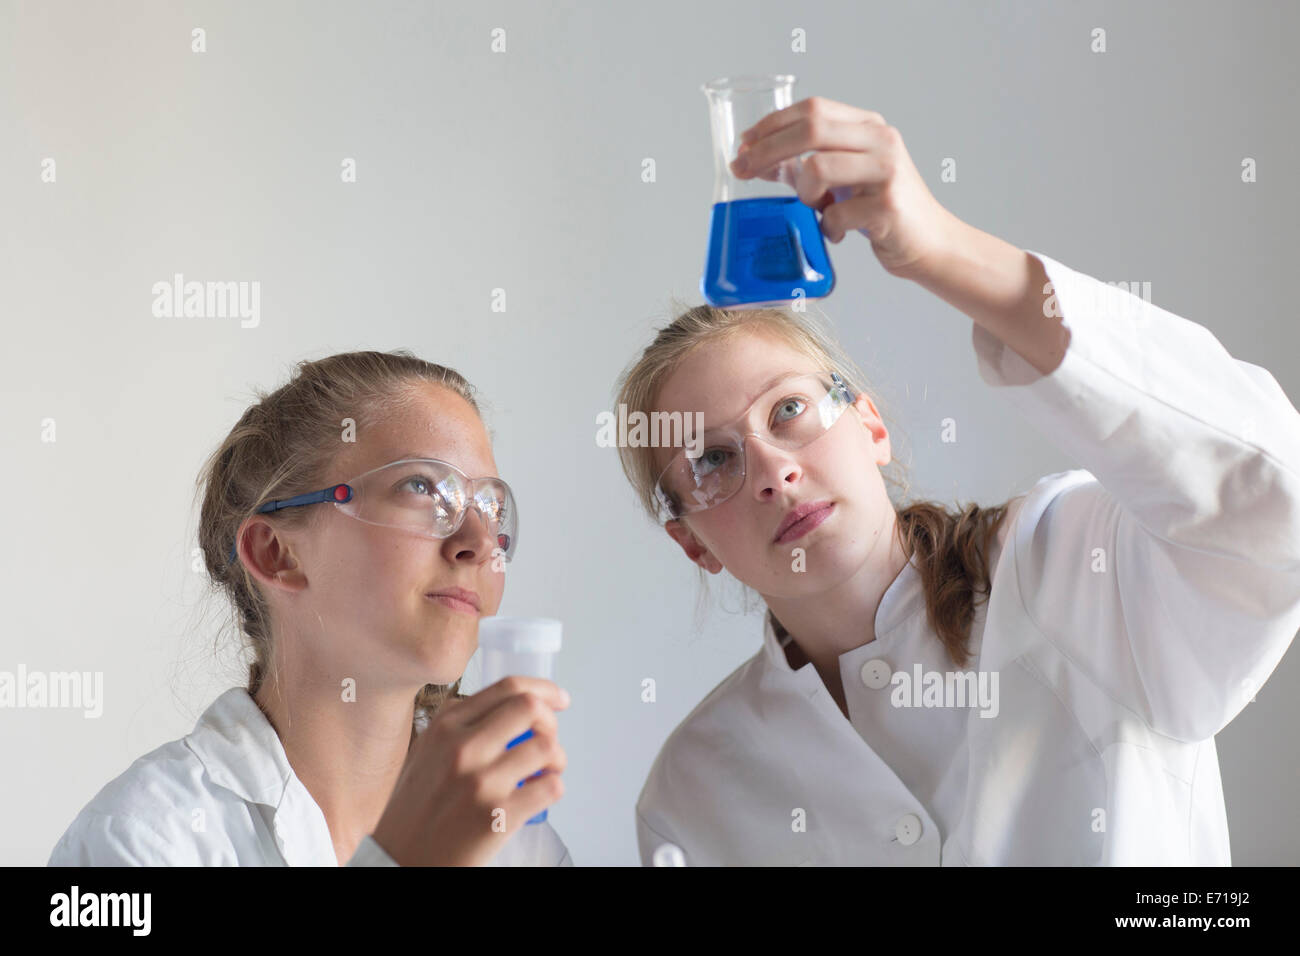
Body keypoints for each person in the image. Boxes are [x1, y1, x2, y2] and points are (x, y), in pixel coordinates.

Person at [614, 97, 1300, 865]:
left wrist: (941, 249)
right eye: (712, 460)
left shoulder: (1073, 571)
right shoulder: (692, 793)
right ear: (691, 543)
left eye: (791, 409)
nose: (775, 469)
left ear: (869, 425)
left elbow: (1273, 501)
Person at [48, 351, 572, 866]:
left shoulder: (517, 844)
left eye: (492, 508)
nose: (481, 543)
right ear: (276, 554)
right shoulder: (140, 842)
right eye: (421, 487)